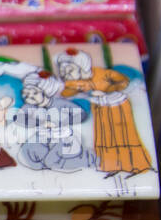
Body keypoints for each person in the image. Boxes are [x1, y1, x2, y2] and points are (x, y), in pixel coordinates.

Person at [55, 48, 153, 177]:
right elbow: (65, 93)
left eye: (69, 70)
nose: (66, 74)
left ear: (81, 67)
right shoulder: (73, 82)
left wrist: (107, 90)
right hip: (100, 109)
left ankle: (136, 165)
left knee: (123, 134)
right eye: (63, 71)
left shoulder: (101, 73)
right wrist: (78, 90)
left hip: (117, 105)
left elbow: (123, 81)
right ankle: (112, 165)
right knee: (104, 137)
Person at [10, 71, 91, 172]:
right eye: (26, 95)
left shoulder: (59, 103)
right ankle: (42, 165)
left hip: (62, 135)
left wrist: (61, 122)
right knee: (27, 151)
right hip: (42, 136)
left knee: (62, 149)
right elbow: (18, 118)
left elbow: (81, 114)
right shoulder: (29, 106)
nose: (31, 97)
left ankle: (58, 164)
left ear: (45, 91)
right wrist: (41, 122)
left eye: (35, 93)